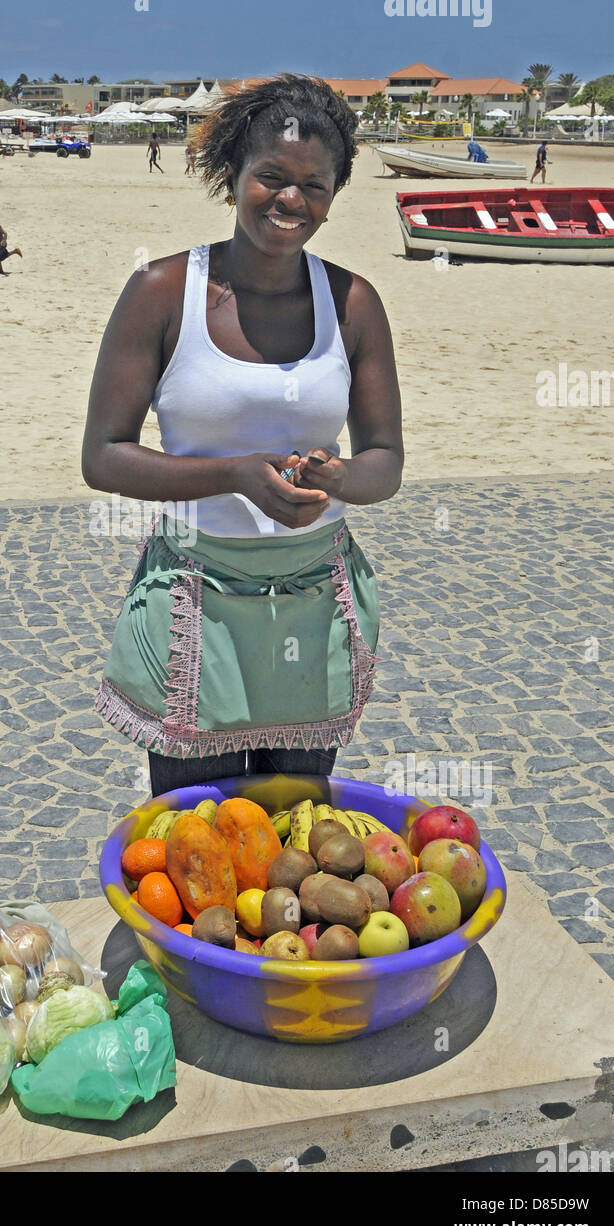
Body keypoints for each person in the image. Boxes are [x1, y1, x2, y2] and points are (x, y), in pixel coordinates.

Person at [82, 74, 403, 796]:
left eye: (313, 186)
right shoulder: (162, 291)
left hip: (313, 600)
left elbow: (385, 462)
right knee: (195, 837)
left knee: (298, 839)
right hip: (196, 595)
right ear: (230, 175)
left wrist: (338, 480)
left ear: (332, 196)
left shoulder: (352, 303)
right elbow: (102, 456)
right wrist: (233, 474)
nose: (291, 201)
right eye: (271, 178)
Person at [0, 209, 23, 275]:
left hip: (1, 243)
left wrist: (4, 240)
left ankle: (1, 270)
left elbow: (5, 233)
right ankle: (15, 251)